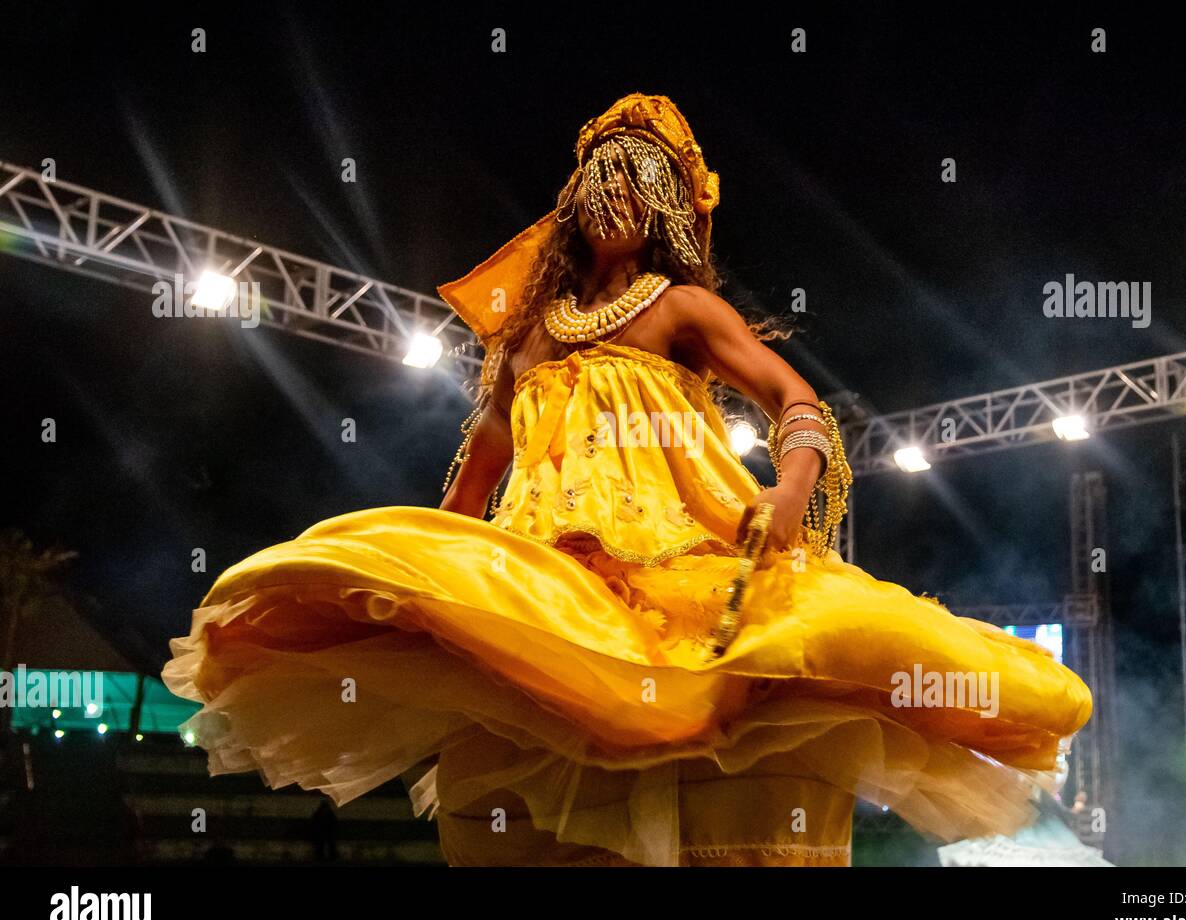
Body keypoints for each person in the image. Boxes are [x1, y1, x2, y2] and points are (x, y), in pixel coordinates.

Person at [163, 93, 1092, 867]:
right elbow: (468, 487)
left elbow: (797, 401)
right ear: (573, 200)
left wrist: (786, 492)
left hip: (688, 562)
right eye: (599, 181)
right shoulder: (521, 342)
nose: (613, 198)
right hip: (545, 584)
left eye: (635, 182)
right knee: (527, 784)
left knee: (723, 745)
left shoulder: (682, 308)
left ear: (666, 205)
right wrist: (419, 596)